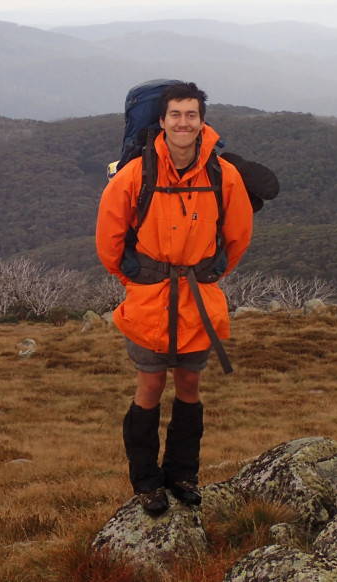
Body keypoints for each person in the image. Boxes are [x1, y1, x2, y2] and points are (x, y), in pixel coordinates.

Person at [95, 81, 253, 516]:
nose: (184, 123)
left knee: (189, 385)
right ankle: (147, 481)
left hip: (198, 302)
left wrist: (206, 276)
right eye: (175, 115)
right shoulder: (137, 174)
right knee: (150, 385)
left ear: (202, 121)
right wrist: (137, 282)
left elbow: (237, 237)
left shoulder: (223, 175)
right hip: (150, 301)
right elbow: (109, 240)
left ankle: (182, 474)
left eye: (191, 115)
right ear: (162, 121)